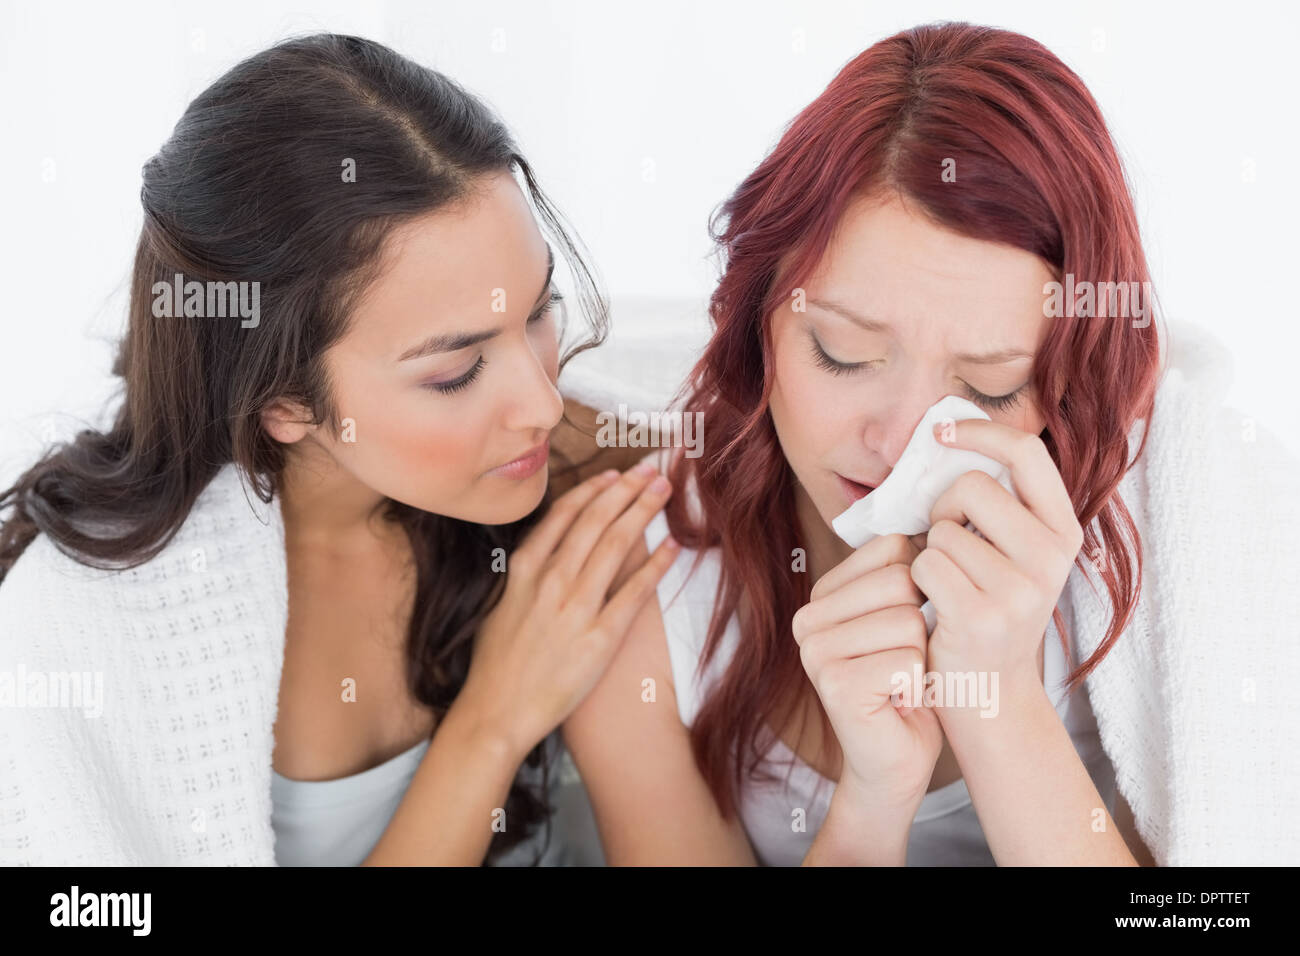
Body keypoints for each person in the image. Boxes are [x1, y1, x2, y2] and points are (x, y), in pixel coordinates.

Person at [562, 21, 1300, 866]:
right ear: (755, 315)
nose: (897, 442)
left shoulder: (1174, 552)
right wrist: (872, 800)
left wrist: (999, 700)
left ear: (1069, 378)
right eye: (843, 353)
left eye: (989, 386)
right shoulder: (654, 591)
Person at [0, 33, 678, 866]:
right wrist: (492, 722)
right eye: (457, 372)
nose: (543, 403)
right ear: (283, 401)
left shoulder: (568, 458)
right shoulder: (85, 628)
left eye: (538, 311)